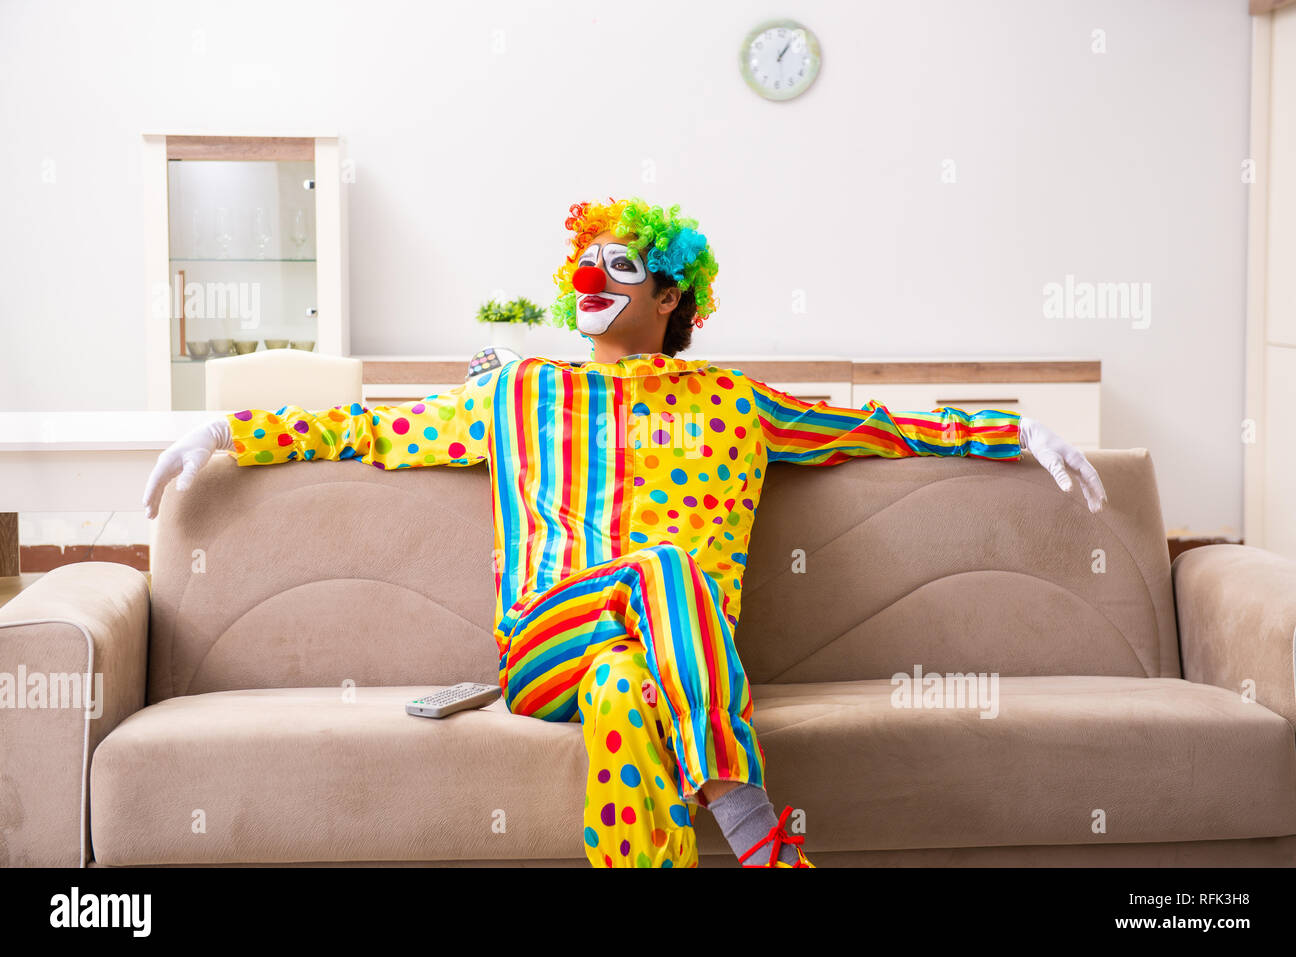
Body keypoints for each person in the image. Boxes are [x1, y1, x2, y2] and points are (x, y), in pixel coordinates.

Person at [143, 197, 1107, 868]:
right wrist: (229, 430)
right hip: (545, 641)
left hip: (658, 665)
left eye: (623, 264)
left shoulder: (739, 402)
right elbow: (370, 430)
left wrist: (1015, 428)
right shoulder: (519, 390)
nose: (593, 275)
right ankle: (753, 822)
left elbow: (882, 428)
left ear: (670, 297)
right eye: (585, 261)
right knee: (661, 571)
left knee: (627, 687)